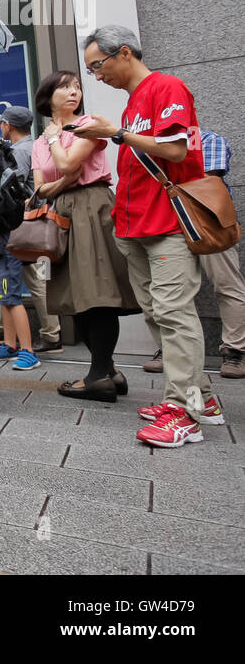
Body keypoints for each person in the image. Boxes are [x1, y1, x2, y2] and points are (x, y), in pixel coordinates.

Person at [75, 25, 225, 447]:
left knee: (174, 314)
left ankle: (183, 412)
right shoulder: (133, 102)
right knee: (159, 314)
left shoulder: (167, 87)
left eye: (98, 66)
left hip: (167, 226)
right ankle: (203, 399)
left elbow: (176, 149)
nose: (97, 76)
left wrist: (115, 134)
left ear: (124, 53)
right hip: (134, 226)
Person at [30, 70, 139, 403]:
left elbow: (66, 164)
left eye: (77, 86)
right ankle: (108, 371)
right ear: (48, 97)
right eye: (65, 87)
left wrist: (54, 143)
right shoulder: (38, 142)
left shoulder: (88, 124)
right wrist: (63, 180)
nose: (74, 92)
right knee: (76, 295)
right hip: (61, 212)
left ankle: (98, 377)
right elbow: (40, 189)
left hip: (93, 206)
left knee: (99, 292)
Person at [0, 106, 39, 370]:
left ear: (8, 125)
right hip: (14, 231)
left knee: (11, 292)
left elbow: (10, 188)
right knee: (5, 291)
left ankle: (28, 350)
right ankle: (9, 344)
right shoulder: (30, 147)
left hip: (12, 230)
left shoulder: (19, 151)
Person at [197, 129, 245, 379]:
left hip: (209, 220)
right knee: (173, 290)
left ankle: (235, 351)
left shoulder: (208, 140)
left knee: (227, 285)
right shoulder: (150, 143)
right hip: (168, 223)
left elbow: (207, 180)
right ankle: (169, 348)